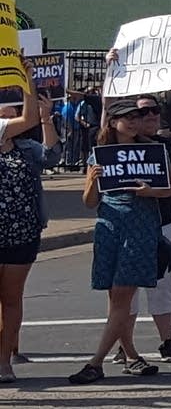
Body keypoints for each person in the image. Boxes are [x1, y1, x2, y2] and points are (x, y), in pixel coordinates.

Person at [70, 95, 171, 385]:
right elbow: (90, 202)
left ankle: (95, 363)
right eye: (127, 117)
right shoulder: (101, 154)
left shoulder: (153, 151)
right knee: (115, 297)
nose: (133, 121)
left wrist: (150, 192)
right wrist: (92, 181)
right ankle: (131, 356)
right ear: (114, 122)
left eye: (136, 117)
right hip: (110, 228)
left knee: (122, 298)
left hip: (140, 230)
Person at [121, 96, 171, 365]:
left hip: (161, 222)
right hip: (126, 225)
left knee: (162, 285)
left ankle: (166, 341)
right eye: (142, 111)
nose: (149, 116)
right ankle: (124, 343)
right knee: (125, 290)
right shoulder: (116, 147)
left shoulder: (166, 146)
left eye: (154, 111)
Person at [0, 87, 51, 383]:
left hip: (21, 232)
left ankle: (4, 360)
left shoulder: (23, 148)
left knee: (11, 298)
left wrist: (28, 81)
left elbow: (30, 118)